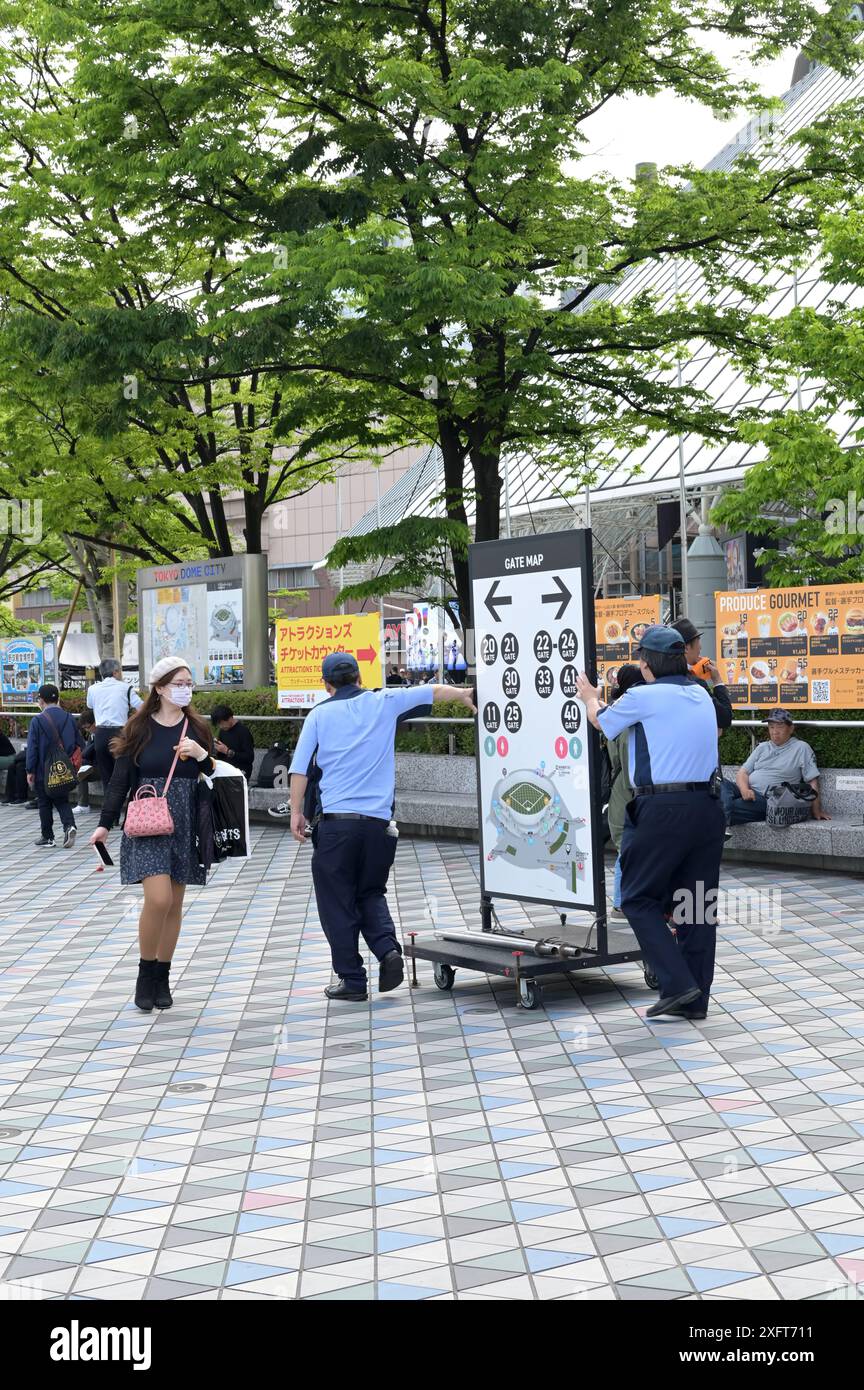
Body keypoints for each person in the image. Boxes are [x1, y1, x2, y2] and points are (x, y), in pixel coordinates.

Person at [288, 651, 476, 1002]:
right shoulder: (384, 701)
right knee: (370, 892)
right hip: (379, 826)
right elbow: (433, 691)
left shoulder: (319, 714)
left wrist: (296, 811)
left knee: (337, 901)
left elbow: (300, 769)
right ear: (360, 677)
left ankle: (352, 980)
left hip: (336, 827)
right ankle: (388, 951)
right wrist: (463, 694)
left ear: (326, 683)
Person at [577, 626, 726, 1022]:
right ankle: (695, 1000)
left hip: (663, 809)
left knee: (636, 897)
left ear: (647, 665)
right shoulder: (701, 694)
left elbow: (600, 721)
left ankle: (677, 983)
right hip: (707, 807)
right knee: (696, 906)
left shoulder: (643, 696)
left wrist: (590, 697)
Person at [90, 658, 216, 1013]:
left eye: (189, 683)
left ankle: (162, 976)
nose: (185, 688)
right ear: (158, 688)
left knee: (175, 903)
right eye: (178, 682)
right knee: (158, 899)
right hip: (147, 820)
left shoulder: (197, 727)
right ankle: (146, 973)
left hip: (185, 819)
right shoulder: (139, 728)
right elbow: (119, 781)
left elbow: (213, 772)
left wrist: (202, 753)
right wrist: (104, 823)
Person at [720, 709, 829, 828]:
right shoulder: (762, 747)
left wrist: (816, 811)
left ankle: (721, 821)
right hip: (748, 792)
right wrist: (744, 790)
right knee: (718, 782)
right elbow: (743, 772)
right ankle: (722, 819)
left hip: (770, 800)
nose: (775, 732)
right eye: (771, 727)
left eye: (780, 727)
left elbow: (812, 781)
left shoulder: (801, 748)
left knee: (722, 806)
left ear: (791, 728)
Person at [604, 665, 646, 920]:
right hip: (628, 794)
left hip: (619, 792)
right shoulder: (630, 718)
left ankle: (623, 901)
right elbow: (631, 768)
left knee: (627, 849)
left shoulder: (616, 713)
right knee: (627, 850)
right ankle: (620, 903)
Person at [25, 684, 79, 849]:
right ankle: (69, 826)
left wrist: (30, 770)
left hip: (43, 769)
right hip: (62, 768)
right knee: (62, 799)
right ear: (58, 698)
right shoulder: (69, 717)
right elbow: (77, 743)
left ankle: (48, 836)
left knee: (44, 802)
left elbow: (32, 748)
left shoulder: (38, 720)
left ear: (41, 700)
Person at [87, 659, 143, 795]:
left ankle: (109, 812)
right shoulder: (125, 688)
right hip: (119, 734)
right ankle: (130, 809)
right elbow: (141, 707)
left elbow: (90, 706)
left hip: (100, 735)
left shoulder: (92, 689)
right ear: (116, 672)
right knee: (126, 773)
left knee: (107, 776)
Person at [669, 618, 732, 731]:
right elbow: (724, 718)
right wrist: (717, 681)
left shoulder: (662, 677)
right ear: (686, 648)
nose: (700, 647)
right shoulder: (695, 683)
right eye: (698, 640)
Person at [210, 704, 255, 780]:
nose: (220, 726)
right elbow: (221, 756)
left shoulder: (243, 731)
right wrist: (217, 749)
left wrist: (228, 751)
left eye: (221, 723)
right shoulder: (223, 731)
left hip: (240, 771)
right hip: (226, 770)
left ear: (230, 718)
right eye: (218, 724)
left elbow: (249, 757)